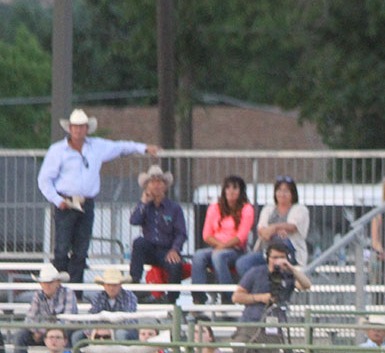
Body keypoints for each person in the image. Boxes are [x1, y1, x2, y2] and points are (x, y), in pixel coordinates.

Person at [36, 108, 160, 284]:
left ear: (87, 129)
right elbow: (44, 180)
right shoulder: (57, 151)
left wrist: (144, 148)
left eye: (82, 127)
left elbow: (121, 147)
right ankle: (59, 290)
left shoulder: (97, 146)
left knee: (81, 250)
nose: (79, 131)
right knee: (62, 249)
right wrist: (58, 200)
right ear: (70, 129)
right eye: (76, 127)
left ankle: (76, 291)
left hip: (86, 203)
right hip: (67, 202)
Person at [231, 239, 312, 353]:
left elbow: (306, 285)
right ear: (268, 257)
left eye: (282, 257)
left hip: (273, 326)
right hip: (250, 322)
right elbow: (236, 297)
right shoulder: (255, 272)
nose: (278, 261)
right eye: (275, 257)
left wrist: (291, 268)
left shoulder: (289, 276)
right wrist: (260, 298)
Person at [128, 165, 187, 303]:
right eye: (152, 182)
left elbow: (181, 233)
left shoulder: (174, 208)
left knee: (175, 265)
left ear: (165, 186)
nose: (156, 185)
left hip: (166, 250)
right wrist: (143, 202)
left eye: (159, 181)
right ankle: (135, 283)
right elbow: (134, 220)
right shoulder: (144, 206)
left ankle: (171, 299)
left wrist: (175, 249)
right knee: (139, 242)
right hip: (149, 249)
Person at [193, 175, 254, 303]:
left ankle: (227, 298)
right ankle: (198, 298)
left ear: (240, 191)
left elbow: (241, 237)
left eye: (235, 188)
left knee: (219, 256)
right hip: (216, 247)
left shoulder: (247, 209)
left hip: (236, 250)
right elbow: (206, 235)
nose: (231, 191)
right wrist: (220, 245)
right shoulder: (214, 208)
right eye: (228, 188)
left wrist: (223, 247)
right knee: (198, 255)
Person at [239, 176, 310, 274]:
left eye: (286, 191)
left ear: (293, 194)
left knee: (282, 241)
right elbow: (261, 231)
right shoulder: (268, 209)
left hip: (289, 252)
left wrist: (273, 227)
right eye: (279, 190)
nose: (282, 194)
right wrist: (277, 229)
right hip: (266, 251)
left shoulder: (300, 209)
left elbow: (293, 227)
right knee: (242, 263)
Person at [13, 264, 78, 353]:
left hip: (61, 333)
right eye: (43, 283)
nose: (46, 286)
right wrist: (40, 331)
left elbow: (67, 321)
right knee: (20, 336)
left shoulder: (68, 293)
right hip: (42, 333)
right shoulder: (38, 295)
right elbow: (29, 319)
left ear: (58, 283)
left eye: (49, 282)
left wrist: (43, 331)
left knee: (65, 337)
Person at [85, 266, 139, 342]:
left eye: (114, 285)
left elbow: (129, 321)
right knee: (79, 335)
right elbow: (92, 316)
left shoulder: (129, 296)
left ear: (120, 285)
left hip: (124, 331)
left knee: (120, 334)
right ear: (104, 285)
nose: (111, 288)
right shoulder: (98, 296)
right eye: (108, 285)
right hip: (101, 330)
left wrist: (109, 330)